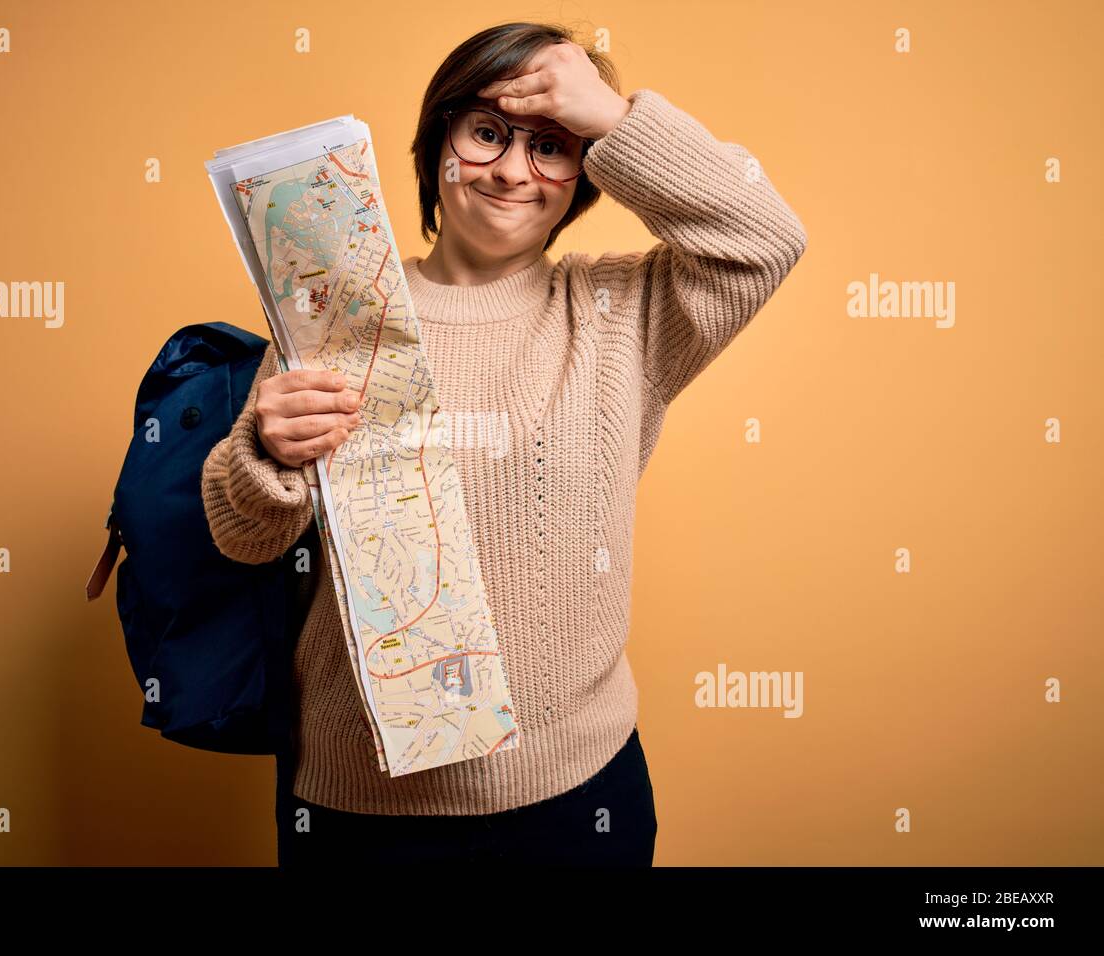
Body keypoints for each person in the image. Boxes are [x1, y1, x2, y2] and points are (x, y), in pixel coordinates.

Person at [201, 20, 807, 867]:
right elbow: (245, 536)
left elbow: (765, 239)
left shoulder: (622, 314)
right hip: (355, 805)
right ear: (438, 143)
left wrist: (616, 115)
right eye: (488, 132)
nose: (515, 170)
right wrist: (266, 456)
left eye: (554, 146)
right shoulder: (333, 307)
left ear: (585, 176)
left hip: (573, 800)